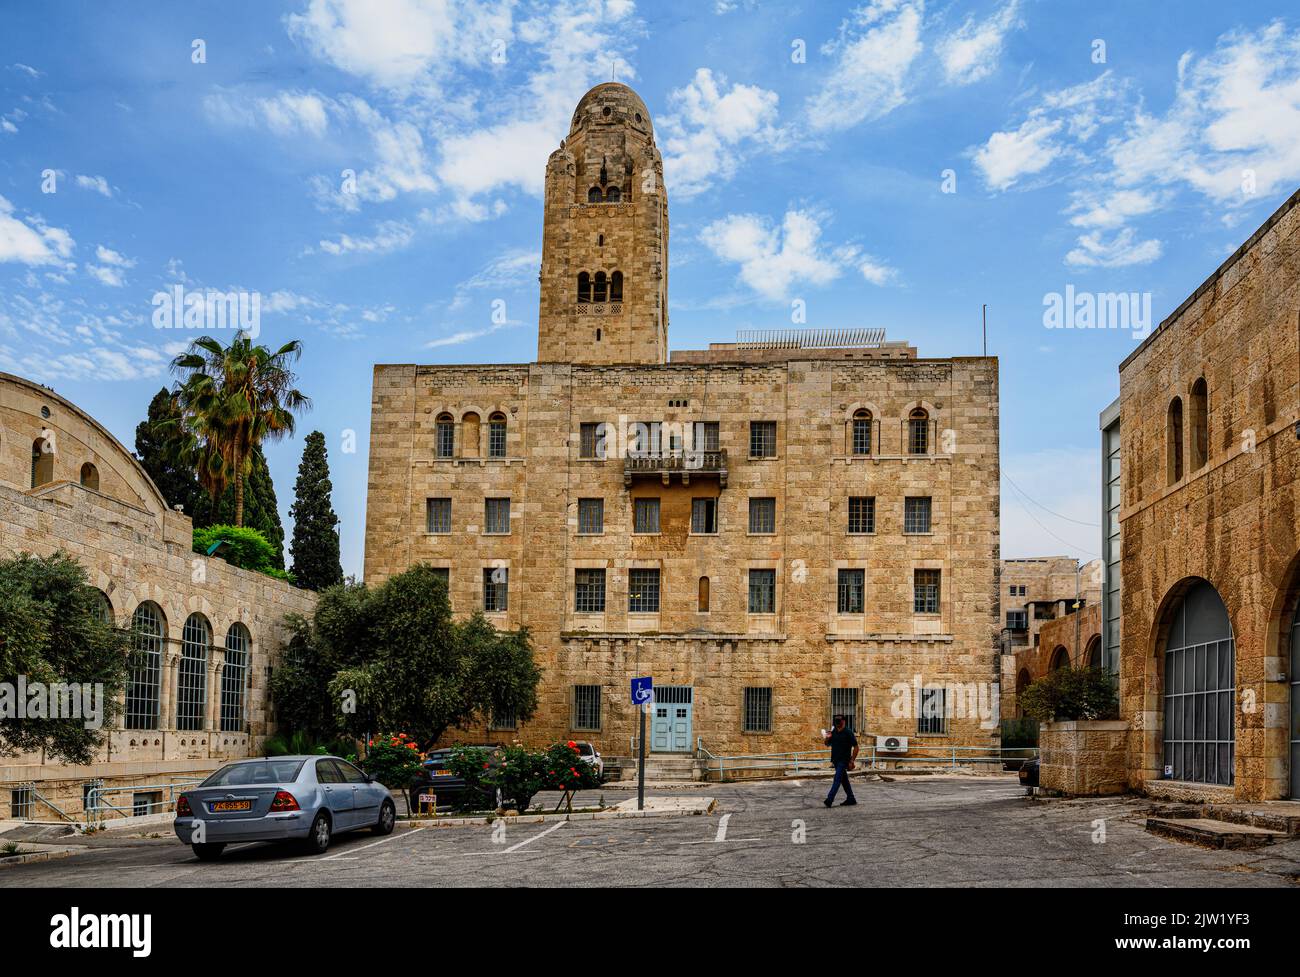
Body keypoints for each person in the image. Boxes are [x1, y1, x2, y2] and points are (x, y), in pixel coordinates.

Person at [822, 714, 858, 807]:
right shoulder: (834, 732)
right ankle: (851, 798)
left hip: (844, 760)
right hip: (835, 760)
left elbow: (856, 747)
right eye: (836, 720)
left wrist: (852, 761)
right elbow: (827, 744)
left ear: (844, 721)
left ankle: (829, 799)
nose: (837, 722)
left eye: (839, 720)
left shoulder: (848, 732)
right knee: (844, 780)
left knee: (837, 779)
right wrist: (827, 737)